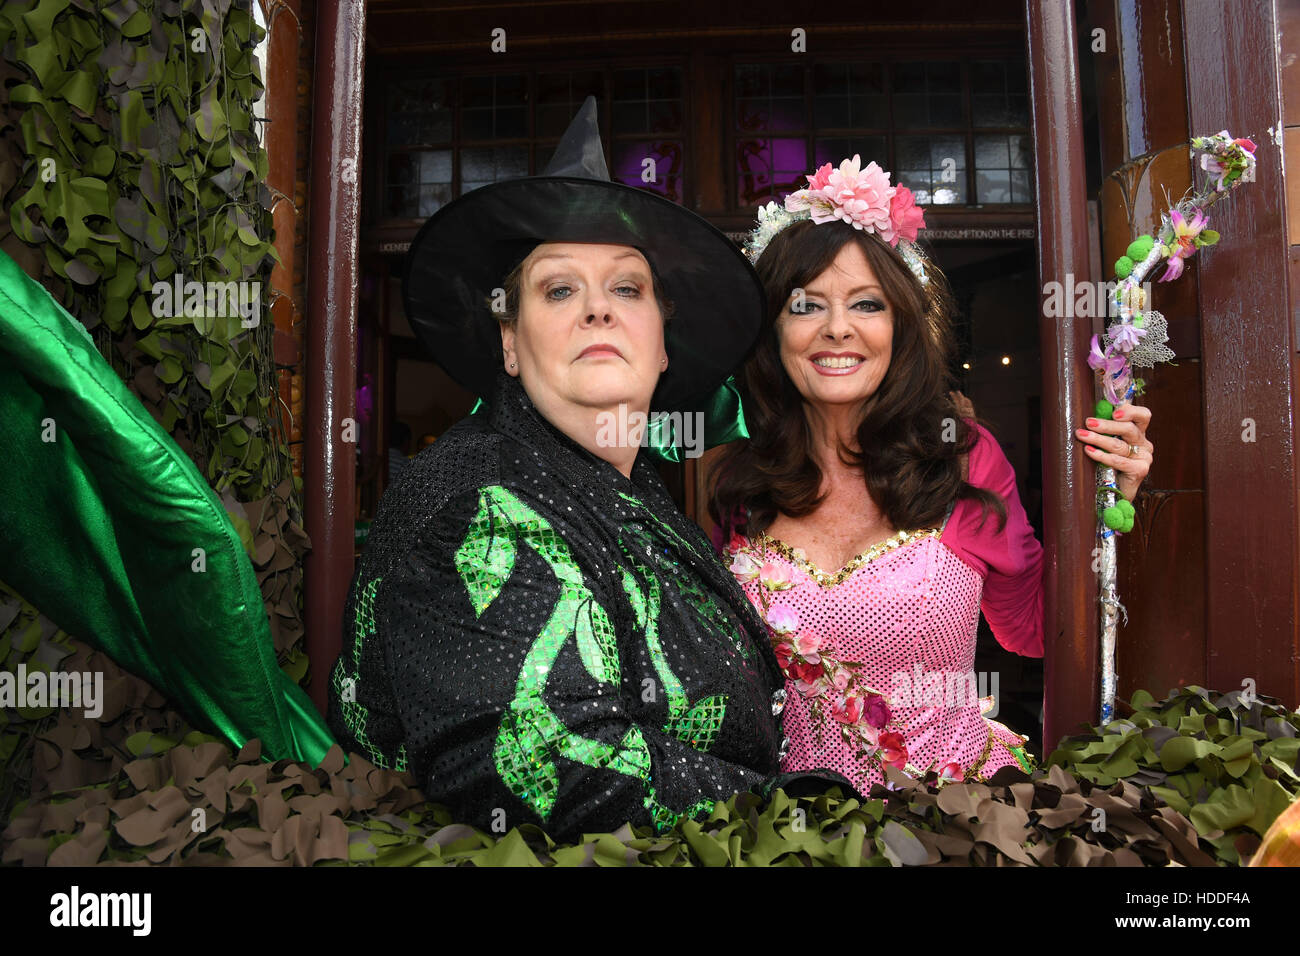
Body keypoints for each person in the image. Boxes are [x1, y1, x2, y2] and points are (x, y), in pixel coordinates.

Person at [325, 98, 839, 842]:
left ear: (663, 344)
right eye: (559, 288)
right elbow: (541, 758)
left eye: (626, 288)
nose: (598, 309)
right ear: (509, 342)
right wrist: (798, 817)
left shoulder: (631, 494)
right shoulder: (474, 501)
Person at [710, 155, 1155, 790]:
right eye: (806, 306)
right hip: (793, 830)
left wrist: (1113, 505)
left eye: (867, 304)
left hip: (960, 819)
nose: (838, 329)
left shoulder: (960, 458)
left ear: (901, 325)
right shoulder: (740, 480)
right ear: (772, 331)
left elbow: (1037, 632)